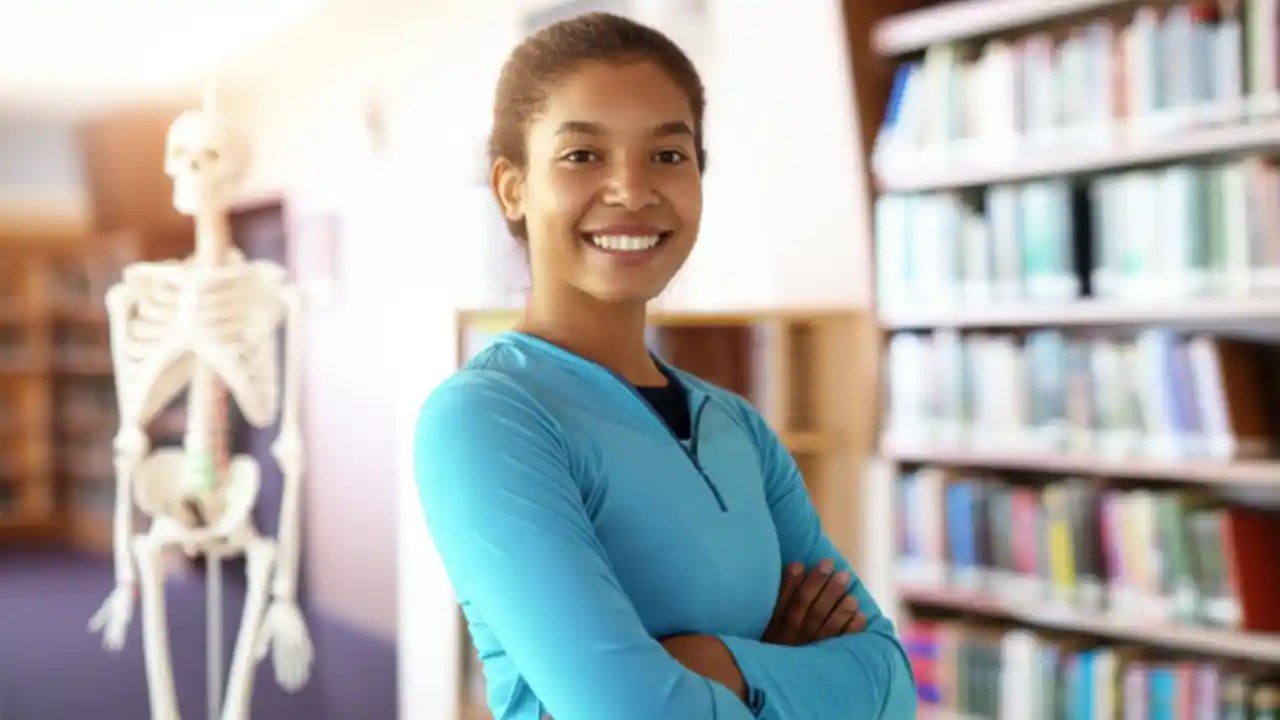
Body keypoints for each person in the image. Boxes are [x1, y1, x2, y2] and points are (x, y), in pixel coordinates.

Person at [413, 11, 917, 720]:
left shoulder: (736, 426)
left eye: (668, 155)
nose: (632, 189)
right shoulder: (487, 417)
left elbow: (891, 687)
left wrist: (714, 662)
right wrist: (787, 666)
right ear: (512, 187)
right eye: (583, 155)